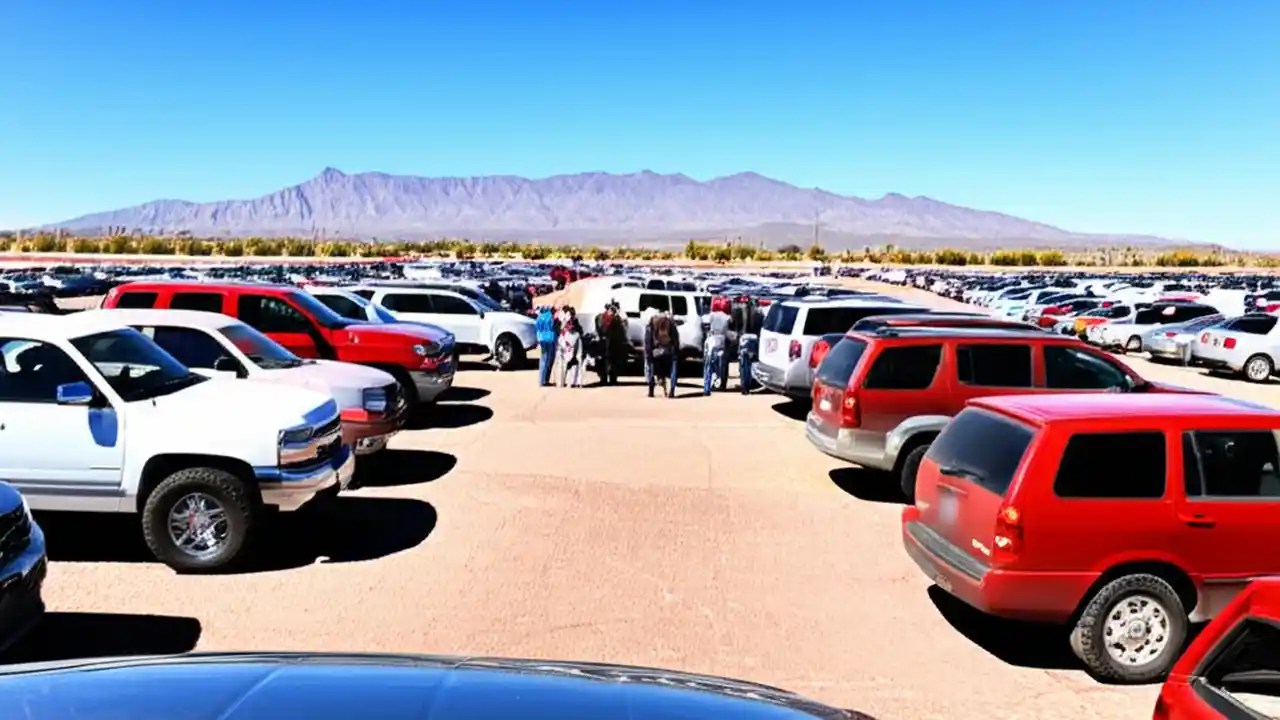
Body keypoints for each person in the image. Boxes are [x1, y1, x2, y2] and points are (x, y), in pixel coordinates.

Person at [702, 296, 733, 395]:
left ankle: (707, 387)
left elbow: (704, 323)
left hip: (712, 340)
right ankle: (721, 384)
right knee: (722, 365)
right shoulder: (727, 317)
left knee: (708, 366)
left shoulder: (711, 315)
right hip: (722, 342)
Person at [646, 310, 679, 398]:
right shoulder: (670, 322)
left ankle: (651, 389)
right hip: (668, 350)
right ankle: (671, 390)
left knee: (650, 366)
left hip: (656, 351)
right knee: (673, 366)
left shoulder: (652, 321)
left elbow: (648, 339)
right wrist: (676, 351)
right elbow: (675, 338)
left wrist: (648, 353)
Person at [594, 300, 628, 385]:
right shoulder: (601, 317)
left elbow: (623, 329)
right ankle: (604, 378)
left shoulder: (617, 318)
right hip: (605, 342)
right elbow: (600, 328)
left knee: (614, 362)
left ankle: (612, 378)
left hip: (614, 343)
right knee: (603, 361)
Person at [558, 317, 584, 387]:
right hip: (565, 353)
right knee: (563, 368)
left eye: (571, 325)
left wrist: (577, 355)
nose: (570, 326)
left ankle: (575, 383)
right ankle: (561, 382)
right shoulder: (564, 333)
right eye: (569, 325)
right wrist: (565, 346)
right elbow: (561, 342)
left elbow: (578, 346)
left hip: (575, 353)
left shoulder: (576, 334)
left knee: (575, 368)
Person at [535, 306, 557, 387]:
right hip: (549, 339)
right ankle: (544, 380)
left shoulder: (539, 317)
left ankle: (541, 380)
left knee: (543, 359)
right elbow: (552, 327)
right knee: (548, 359)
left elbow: (537, 328)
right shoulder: (551, 317)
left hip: (541, 339)